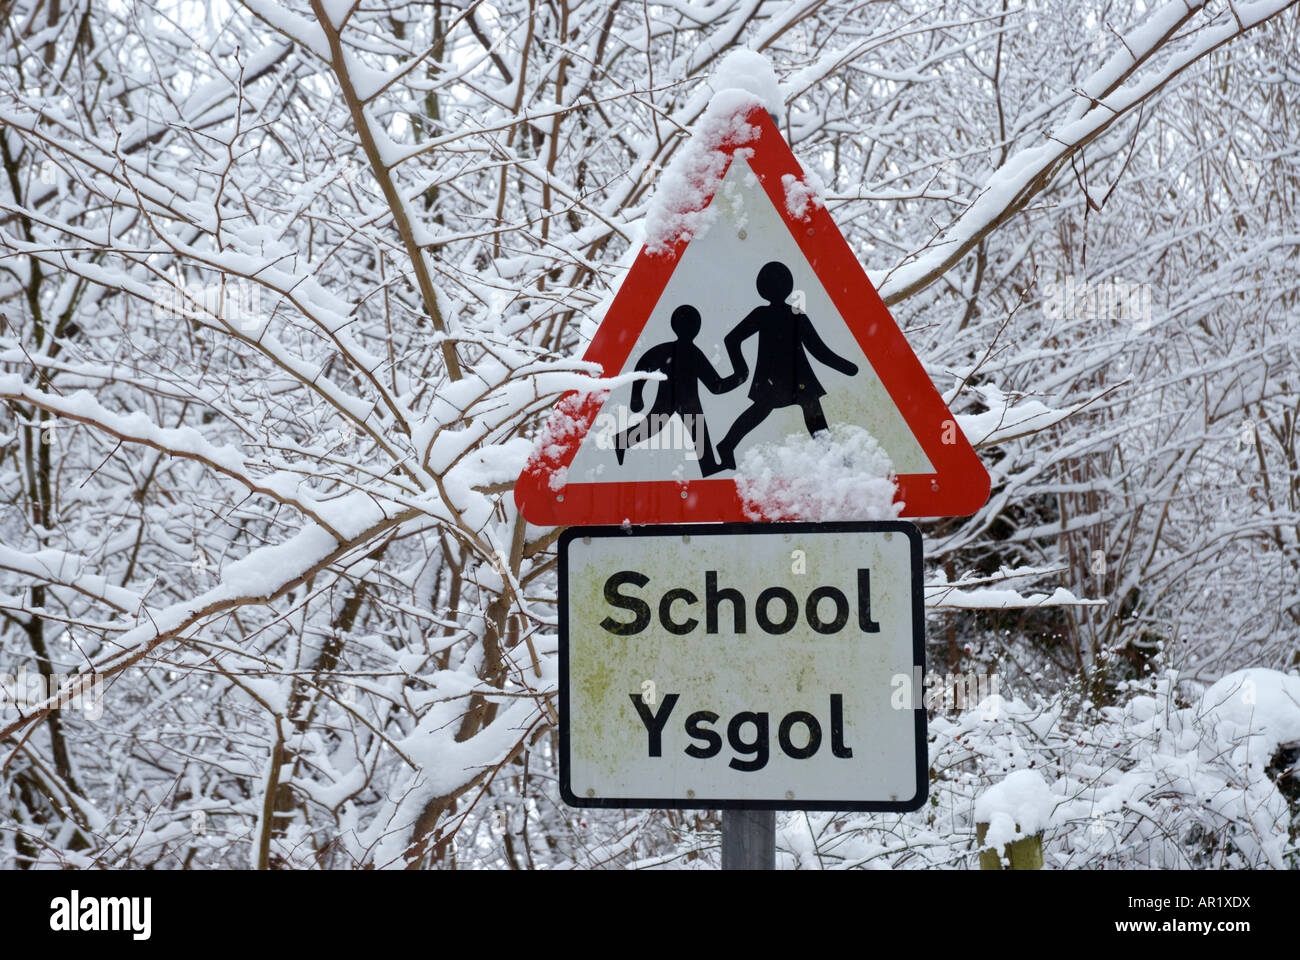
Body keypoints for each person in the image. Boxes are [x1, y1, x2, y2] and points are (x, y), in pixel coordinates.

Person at [715, 261, 859, 470]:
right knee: (781, 410)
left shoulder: (771, 314)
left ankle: (726, 445)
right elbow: (819, 351)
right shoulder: (787, 314)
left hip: (781, 377)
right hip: (791, 377)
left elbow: (818, 350)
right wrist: (848, 368)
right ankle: (726, 445)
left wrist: (741, 369)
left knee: (792, 410)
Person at [614, 304, 738, 475]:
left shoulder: (670, 350)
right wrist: (739, 377)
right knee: (680, 429)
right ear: (697, 327)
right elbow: (716, 385)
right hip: (683, 400)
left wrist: (637, 396)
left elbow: (644, 365)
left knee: (665, 427)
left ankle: (622, 440)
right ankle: (622, 441)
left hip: (673, 398)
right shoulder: (691, 352)